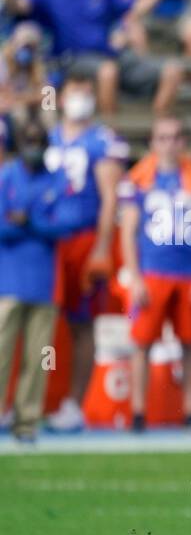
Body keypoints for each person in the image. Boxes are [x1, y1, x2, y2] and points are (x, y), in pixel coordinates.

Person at [3, 0, 183, 116]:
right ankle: (111, 128)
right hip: (71, 59)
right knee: (108, 71)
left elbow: (136, 8)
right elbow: (18, 6)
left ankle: (158, 126)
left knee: (173, 70)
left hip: (110, 54)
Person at [117, 116, 191, 430]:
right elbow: (129, 231)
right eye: (162, 137)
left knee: (190, 343)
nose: (169, 144)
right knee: (142, 343)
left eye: (175, 137)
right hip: (153, 271)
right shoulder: (138, 179)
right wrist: (135, 277)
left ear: (184, 141)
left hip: (188, 272)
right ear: (152, 143)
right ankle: (138, 412)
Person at [43, 75, 130, 434]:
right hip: (46, 242)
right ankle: (31, 402)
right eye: (75, 90)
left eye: (86, 91)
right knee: (37, 322)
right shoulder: (49, 137)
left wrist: (100, 247)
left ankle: (73, 404)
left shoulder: (101, 140)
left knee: (81, 324)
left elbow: (110, 197)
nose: (81, 97)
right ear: (61, 97)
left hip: (82, 238)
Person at [0, 121, 84, 444]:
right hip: (8, 281)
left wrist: (28, 220)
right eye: (28, 140)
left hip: (42, 283)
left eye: (38, 141)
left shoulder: (58, 181)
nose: (33, 146)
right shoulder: (7, 177)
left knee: (36, 358)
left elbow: (68, 223)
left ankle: (26, 422)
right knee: (3, 354)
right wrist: (38, 224)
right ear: (20, 144)